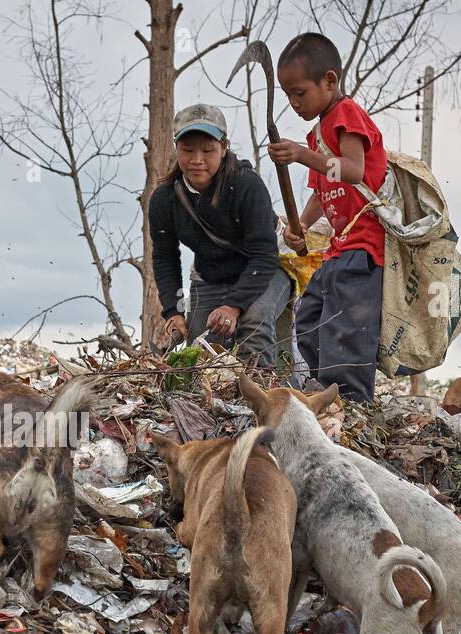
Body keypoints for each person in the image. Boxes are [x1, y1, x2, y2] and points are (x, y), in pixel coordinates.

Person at [269, 33, 387, 403]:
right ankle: (326, 396)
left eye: (299, 92)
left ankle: (351, 403)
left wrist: (303, 155)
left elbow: (352, 170)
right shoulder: (317, 132)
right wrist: (300, 225)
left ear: (330, 81)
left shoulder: (346, 114)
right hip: (338, 250)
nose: (293, 102)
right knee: (308, 323)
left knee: (346, 331)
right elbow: (323, 191)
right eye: (287, 94)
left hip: (365, 247)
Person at [149, 103, 293, 366]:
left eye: (208, 150)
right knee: (202, 350)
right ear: (176, 148)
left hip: (266, 269)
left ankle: (262, 395)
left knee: (254, 320)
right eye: (187, 150)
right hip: (211, 276)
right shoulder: (164, 199)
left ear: (224, 148)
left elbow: (264, 255)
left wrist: (233, 306)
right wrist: (174, 312)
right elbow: (165, 258)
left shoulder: (247, 186)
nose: (197, 160)